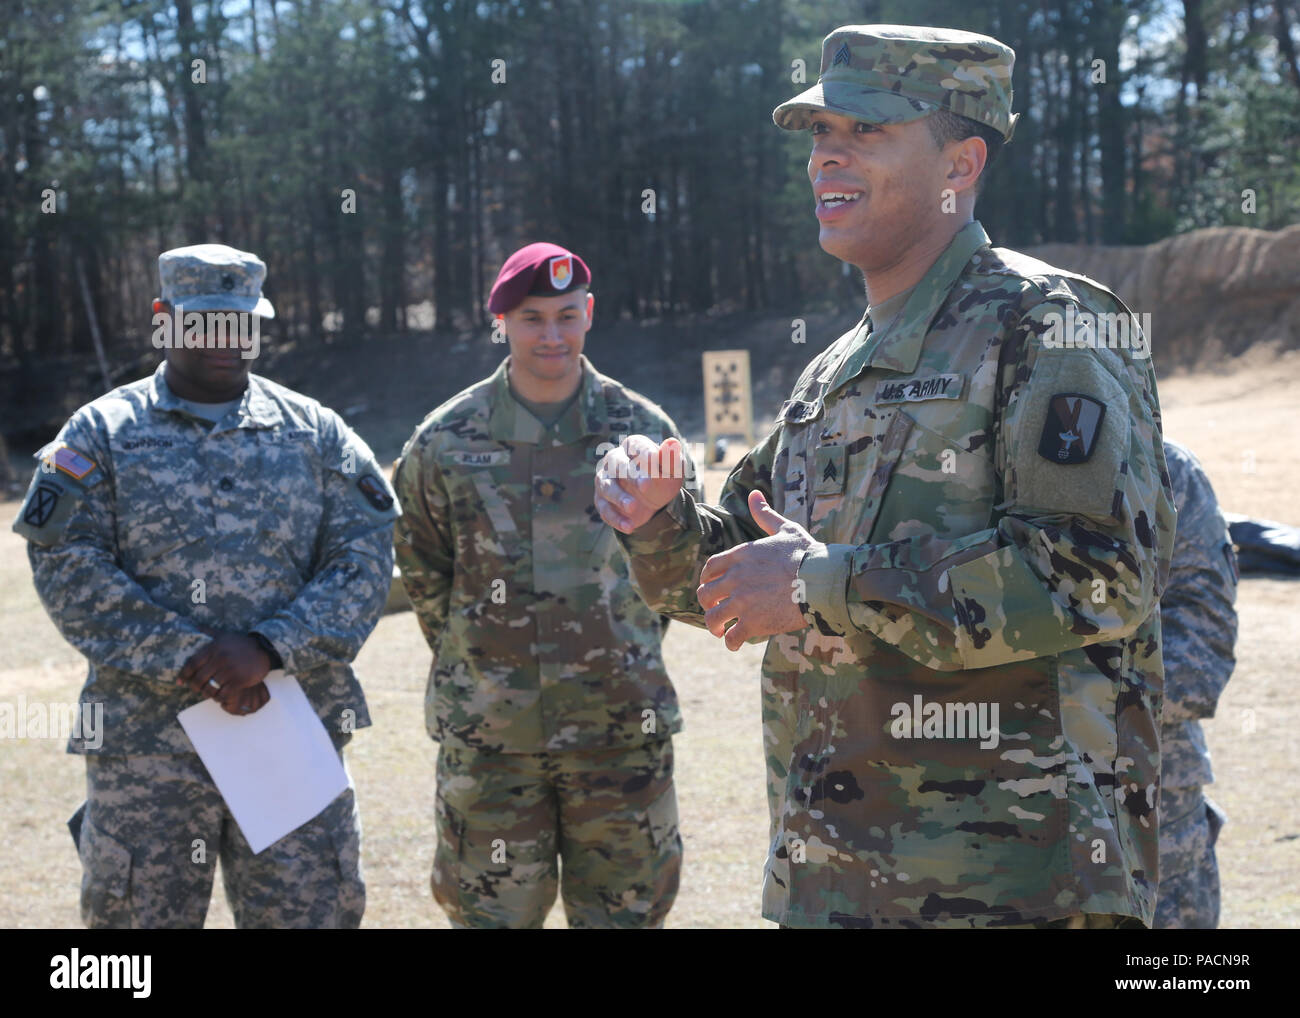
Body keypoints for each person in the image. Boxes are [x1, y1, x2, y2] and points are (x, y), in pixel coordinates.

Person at [596, 25, 1176, 929]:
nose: (828, 154)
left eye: (867, 131)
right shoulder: (830, 372)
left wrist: (825, 585)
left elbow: (1096, 576)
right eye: (821, 133)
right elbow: (743, 581)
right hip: (834, 881)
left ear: (962, 162)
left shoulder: (1054, 324)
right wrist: (657, 521)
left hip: (1016, 890)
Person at [12, 243, 397, 928]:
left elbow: (362, 562)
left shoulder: (316, 435)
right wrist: (193, 658)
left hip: (288, 731)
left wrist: (268, 647)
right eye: (205, 322)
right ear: (165, 320)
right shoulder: (101, 434)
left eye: (241, 323)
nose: (227, 340)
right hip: (146, 748)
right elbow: (68, 565)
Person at [392, 242, 699, 928]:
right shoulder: (444, 442)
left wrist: (614, 642)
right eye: (532, 318)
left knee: (626, 916)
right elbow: (424, 571)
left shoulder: (645, 434)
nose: (553, 335)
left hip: (619, 733)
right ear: (499, 320)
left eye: (567, 315)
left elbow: (673, 573)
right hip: (492, 742)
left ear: (589, 314)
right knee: (491, 917)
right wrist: (485, 663)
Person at [1154, 439, 1238, 928]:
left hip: (1151, 823)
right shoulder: (930, 453)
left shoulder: (1162, 467)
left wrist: (1076, 701)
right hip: (963, 833)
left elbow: (1200, 657)